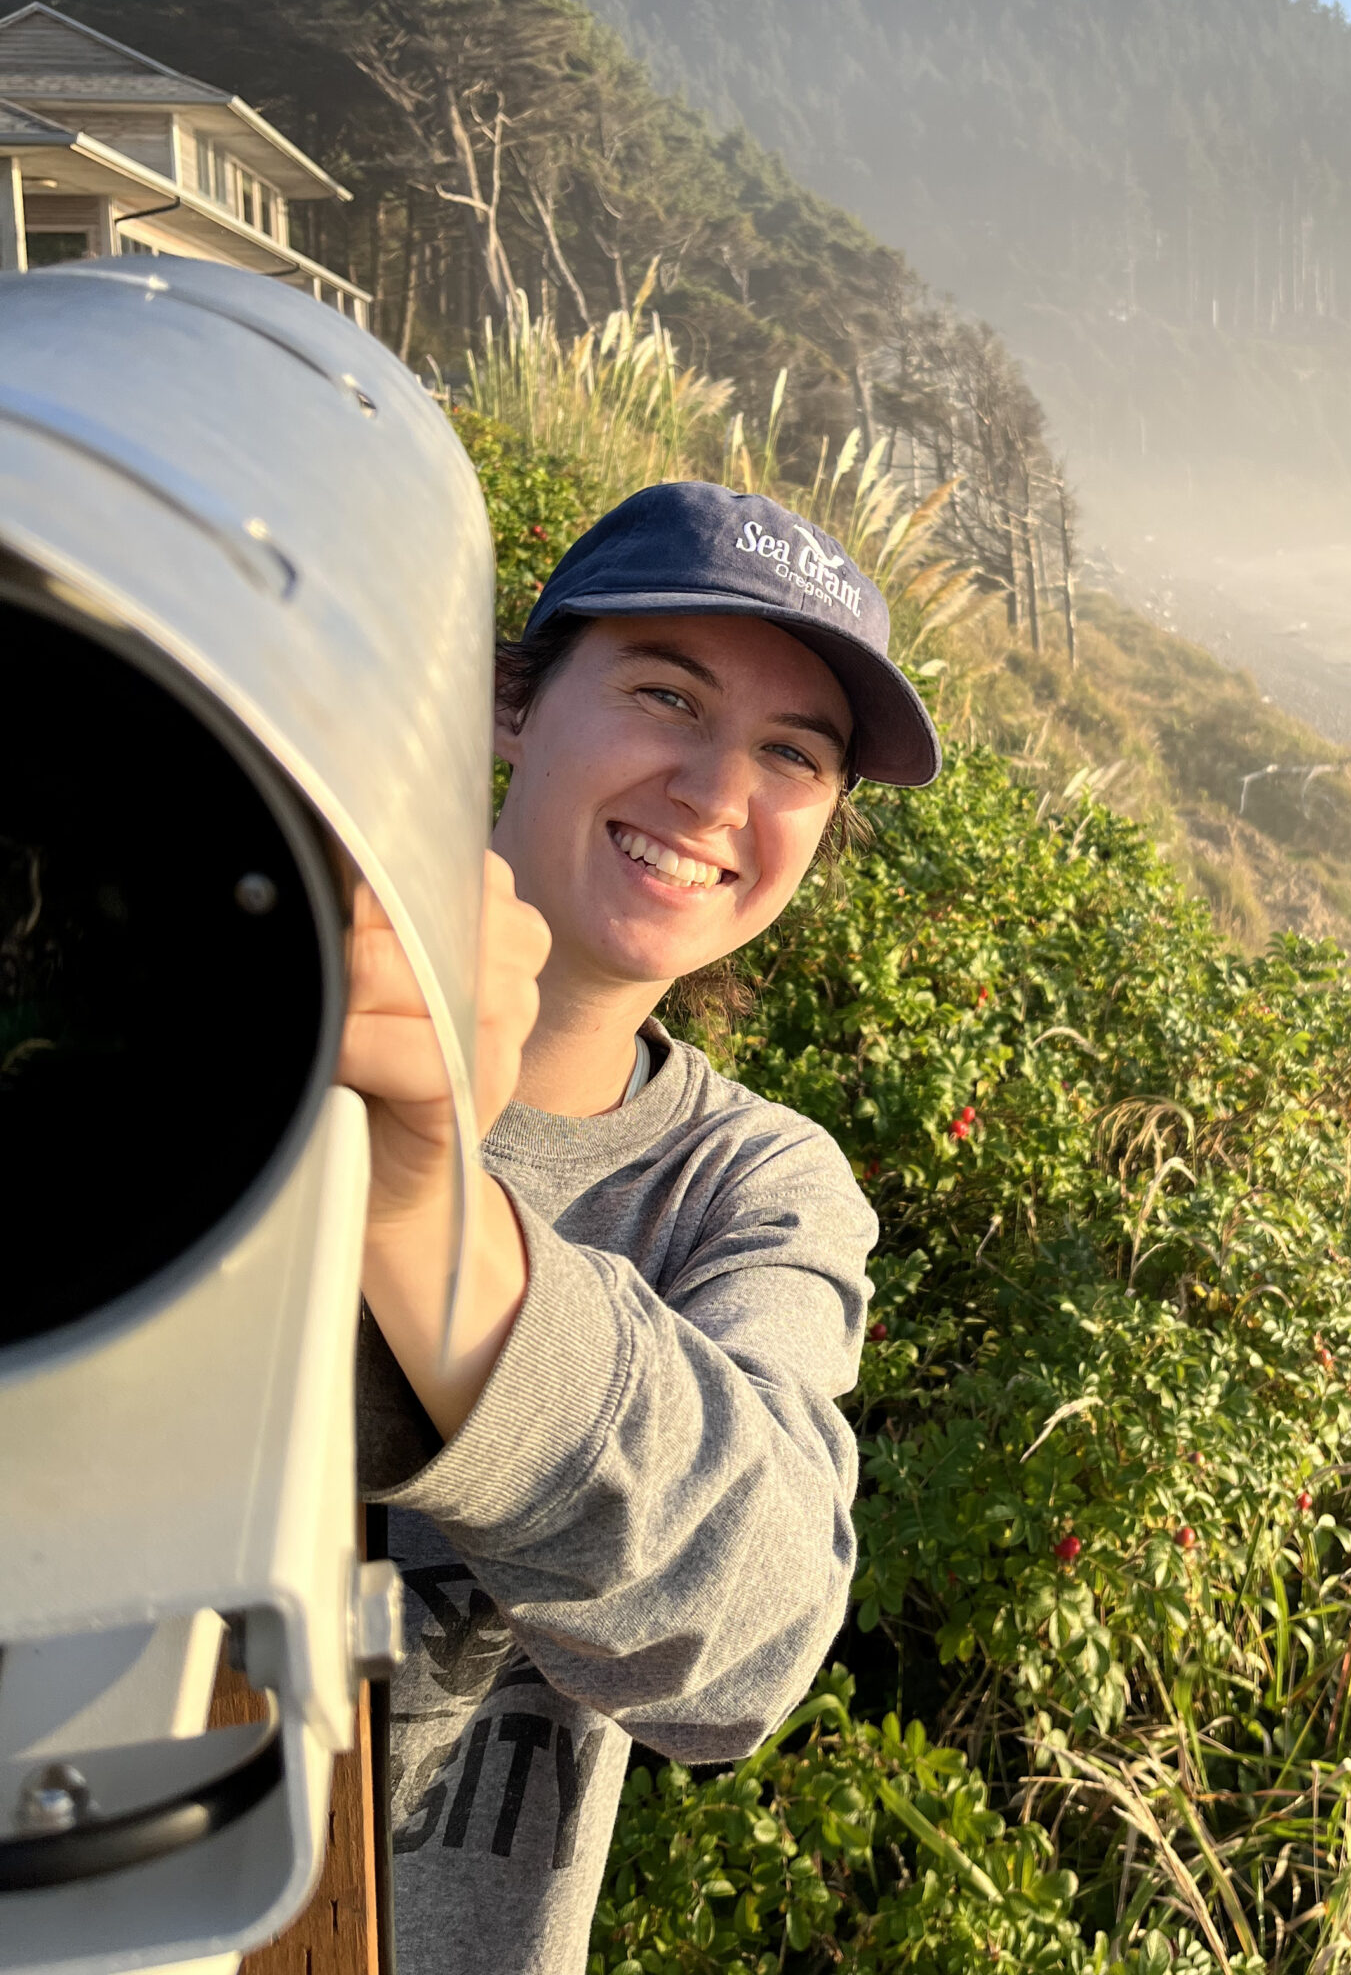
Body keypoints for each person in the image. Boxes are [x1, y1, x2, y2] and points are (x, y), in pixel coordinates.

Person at [337, 479, 941, 1975]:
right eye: (666, 694)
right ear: (513, 701)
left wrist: (430, 1218)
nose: (718, 791)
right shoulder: (250, 989)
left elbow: (754, 1632)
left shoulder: (750, 1187)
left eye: (793, 754)